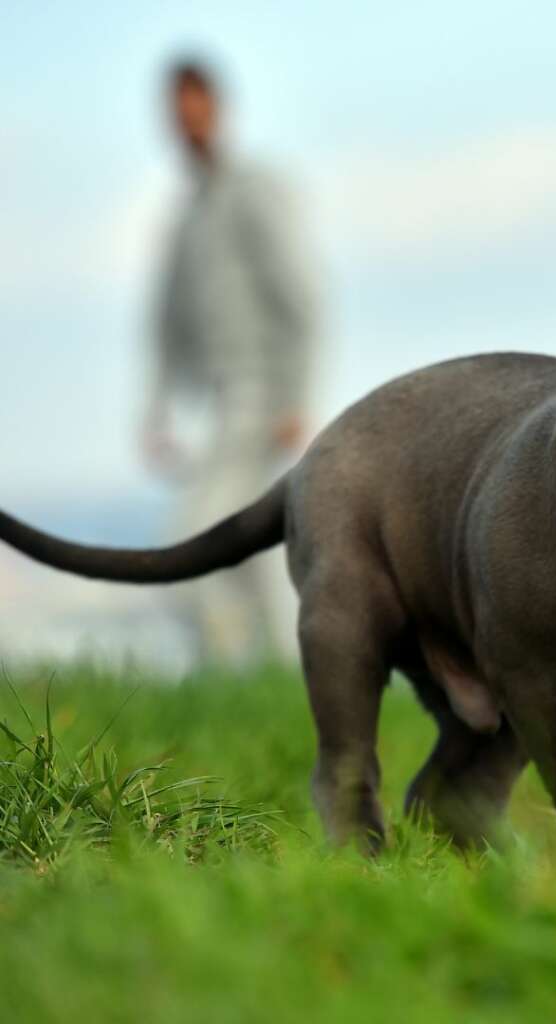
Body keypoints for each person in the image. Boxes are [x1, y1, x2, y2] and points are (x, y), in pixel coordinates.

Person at [143, 59, 316, 666]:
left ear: (216, 108)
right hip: (222, 402)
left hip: (259, 399)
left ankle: (233, 670)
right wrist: (159, 409)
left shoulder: (252, 191)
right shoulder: (187, 215)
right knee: (249, 554)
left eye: (195, 109)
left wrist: (296, 395)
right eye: (177, 114)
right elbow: (167, 323)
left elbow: (299, 294)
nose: (187, 124)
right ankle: (280, 675)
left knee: (192, 548)